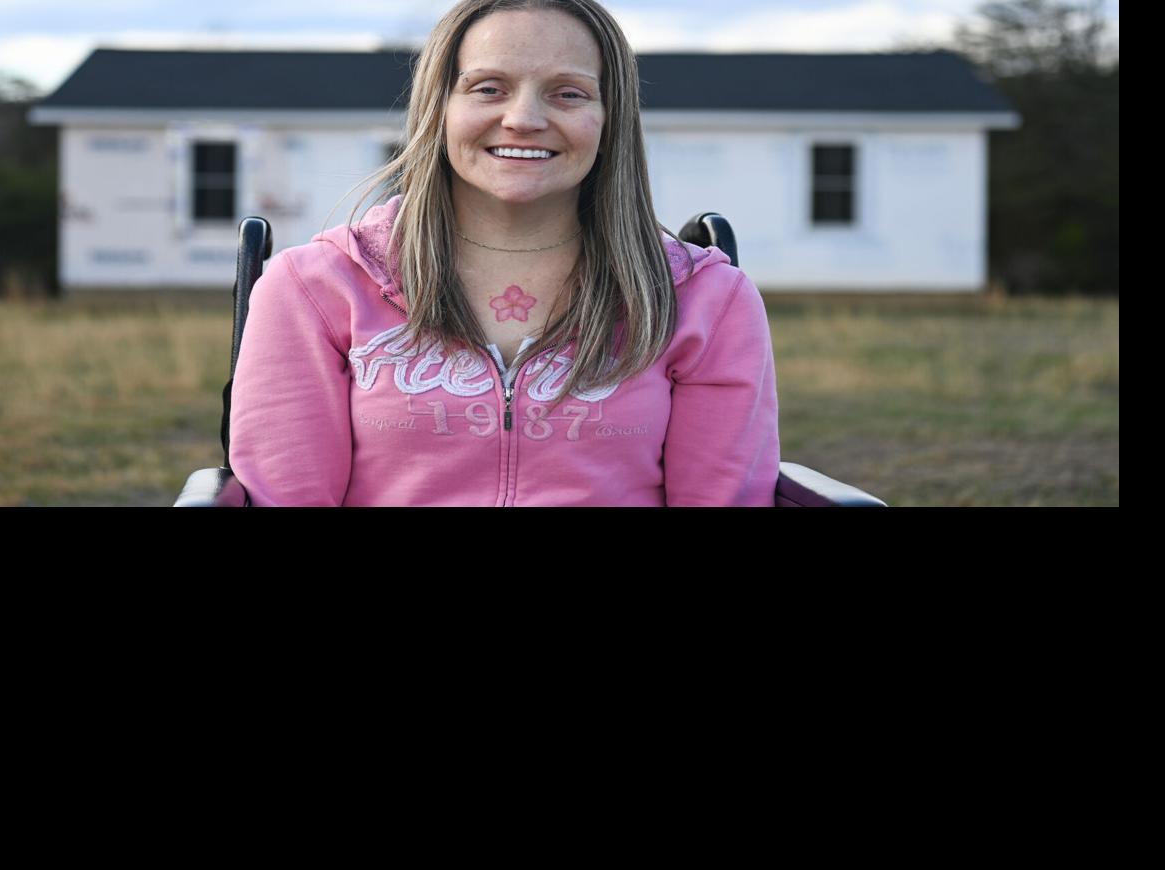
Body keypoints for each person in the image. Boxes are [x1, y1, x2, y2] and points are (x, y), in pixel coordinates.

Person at [229, 0, 780, 506]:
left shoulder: (706, 299)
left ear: (610, 119)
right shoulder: (314, 289)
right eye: (489, 88)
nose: (523, 118)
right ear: (438, 107)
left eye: (568, 92)